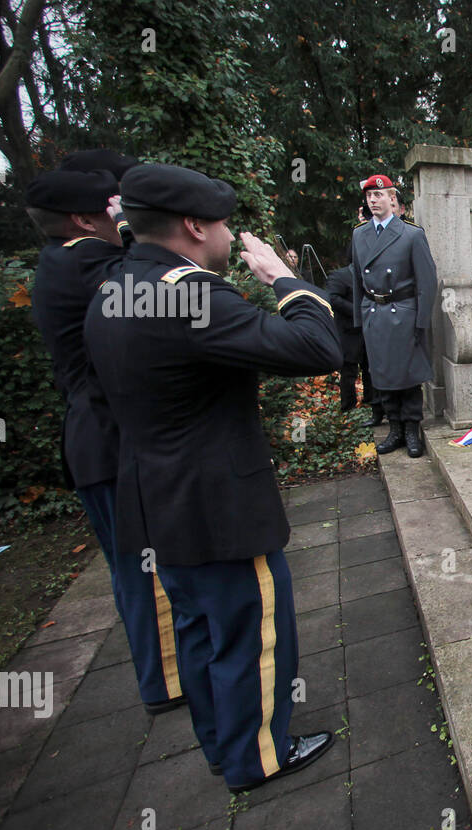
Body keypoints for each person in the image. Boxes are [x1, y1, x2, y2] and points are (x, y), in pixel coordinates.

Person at [84, 163, 342, 792]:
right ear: (195, 226)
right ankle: (258, 757)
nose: (231, 238)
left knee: (200, 633)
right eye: (225, 225)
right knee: (250, 634)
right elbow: (318, 348)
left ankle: (224, 747)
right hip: (215, 506)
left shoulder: (115, 287)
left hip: (153, 499)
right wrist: (283, 278)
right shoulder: (190, 294)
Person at [24, 157, 187, 716]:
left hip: (94, 439)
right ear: (83, 218)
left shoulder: (59, 260)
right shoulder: (88, 261)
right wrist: (129, 230)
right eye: (110, 206)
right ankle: (167, 681)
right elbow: (150, 284)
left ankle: (160, 673)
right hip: (112, 443)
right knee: (147, 568)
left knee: (130, 568)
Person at [350, 173, 436, 455]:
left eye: (379, 195)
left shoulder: (411, 234)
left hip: (403, 313)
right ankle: (395, 429)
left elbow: (427, 282)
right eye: (369, 196)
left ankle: (412, 431)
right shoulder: (359, 235)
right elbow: (356, 281)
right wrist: (359, 318)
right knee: (382, 375)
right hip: (375, 312)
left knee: (408, 376)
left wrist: (421, 321)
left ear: (392, 198)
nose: (373, 201)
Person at [325, 259, 372, 412]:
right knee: (348, 372)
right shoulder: (339, 276)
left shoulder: (370, 275)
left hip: (368, 332)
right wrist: (358, 311)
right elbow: (333, 299)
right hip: (348, 333)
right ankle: (348, 406)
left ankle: (371, 400)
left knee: (369, 369)